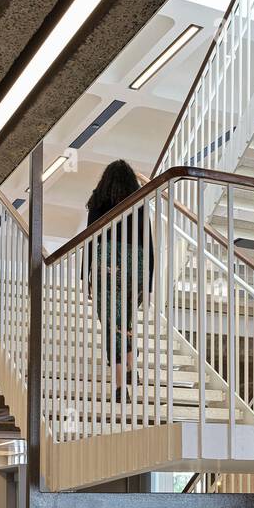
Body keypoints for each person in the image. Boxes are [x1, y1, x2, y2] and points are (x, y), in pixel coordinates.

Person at [84, 160, 151, 394]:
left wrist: (86, 275)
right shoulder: (139, 200)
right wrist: (149, 280)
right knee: (124, 319)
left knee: (113, 323)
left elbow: (90, 237)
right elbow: (148, 241)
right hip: (138, 264)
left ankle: (121, 385)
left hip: (109, 261)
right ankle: (132, 363)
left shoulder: (99, 197)